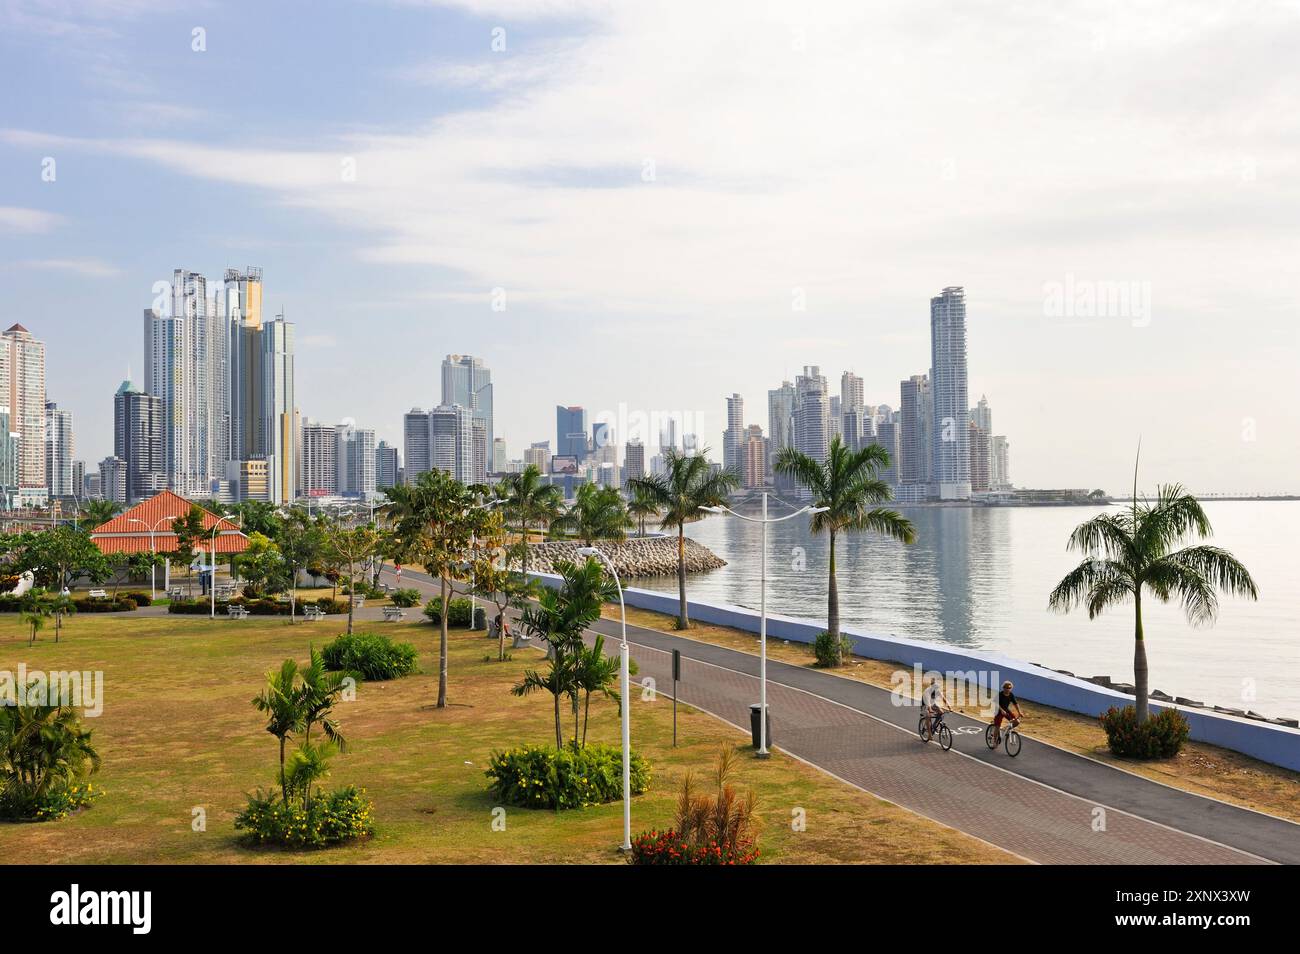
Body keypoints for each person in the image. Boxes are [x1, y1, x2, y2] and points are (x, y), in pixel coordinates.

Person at [992, 680, 1023, 745]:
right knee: (997, 726)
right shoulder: (1000, 694)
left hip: (1006, 710)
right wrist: (1001, 710)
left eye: (1009, 688)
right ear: (1003, 688)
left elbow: (1015, 704)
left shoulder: (1011, 695)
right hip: (998, 711)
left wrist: (1019, 712)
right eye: (1006, 688)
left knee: (1016, 721)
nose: (1008, 689)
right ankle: (994, 741)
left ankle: (1005, 730)